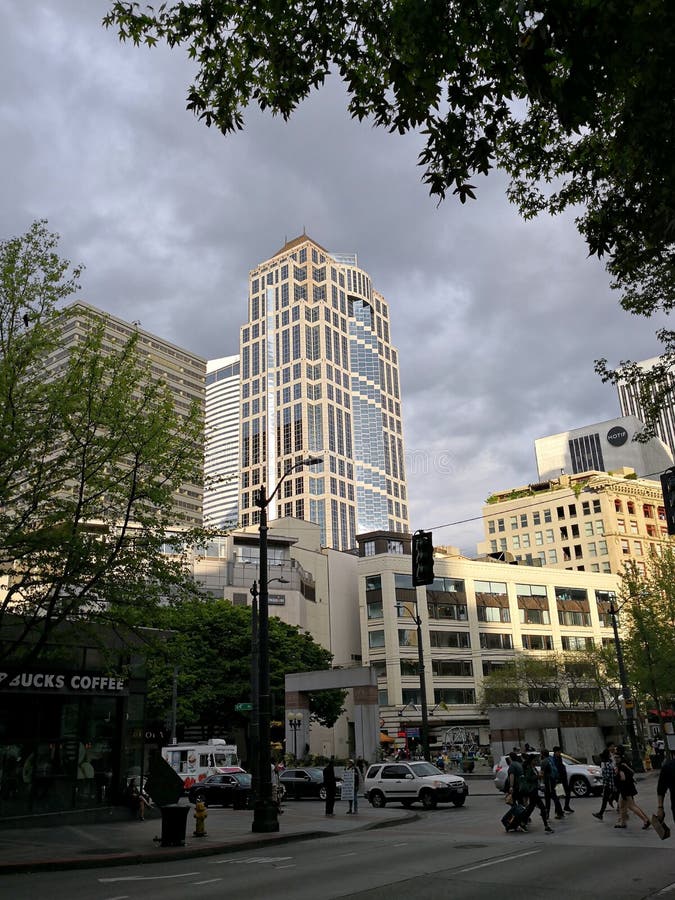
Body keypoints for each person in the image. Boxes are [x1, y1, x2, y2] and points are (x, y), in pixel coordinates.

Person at [615, 745, 650, 829]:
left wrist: (617, 774)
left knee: (631, 806)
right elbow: (632, 772)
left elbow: (623, 778)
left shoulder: (621, 766)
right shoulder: (625, 762)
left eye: (617, 757)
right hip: (628, 787)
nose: (615, 758)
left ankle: (645, 820)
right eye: (615, 757)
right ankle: (623, 823)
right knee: (622, 805)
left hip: (625, 788)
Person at [520, 753, 554, 834]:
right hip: (532, 791)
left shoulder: (534, 768)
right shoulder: (529, 768)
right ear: (531, 761)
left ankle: (523, 822)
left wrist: (540, 786)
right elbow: (528, 778)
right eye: (535, 760)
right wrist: (538, 776)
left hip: (534, 790)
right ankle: (546, 826)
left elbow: (534, 780)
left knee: (531, 808)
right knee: (542, 808)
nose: (537, 761)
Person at [592, 748, 617, 820]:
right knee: (608, 798)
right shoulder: (609, 763)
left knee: (606, 799)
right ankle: (601, 813)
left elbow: (606, 775)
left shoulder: (605, 764)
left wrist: (603, 777)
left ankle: (601, 813)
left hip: (608, 784)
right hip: (611, 783)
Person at [540, 749, 564, 820]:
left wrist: (540, 780)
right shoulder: (550, 759)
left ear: (543, 754)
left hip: (548, 781)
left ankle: (558, 812)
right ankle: (548, 813)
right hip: (552, 780)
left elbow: (542, 773)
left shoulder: (544, 761)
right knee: (549, 797)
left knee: (552, 797)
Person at [552, 746, 574, 814]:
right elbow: (556, 769)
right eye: (558, 752)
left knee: (567, 792)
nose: (560, 753)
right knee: (558, 794)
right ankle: (557, 809)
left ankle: (566, 806)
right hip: (558, 779)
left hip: (563, 778)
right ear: (555, 752)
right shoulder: (554, 759)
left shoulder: (559, 758)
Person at [656, 756, 675, 825]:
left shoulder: (667, 766)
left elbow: (661, 790)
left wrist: (660, 808)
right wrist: (660, 808)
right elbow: (661, 789)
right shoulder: (668, 767)